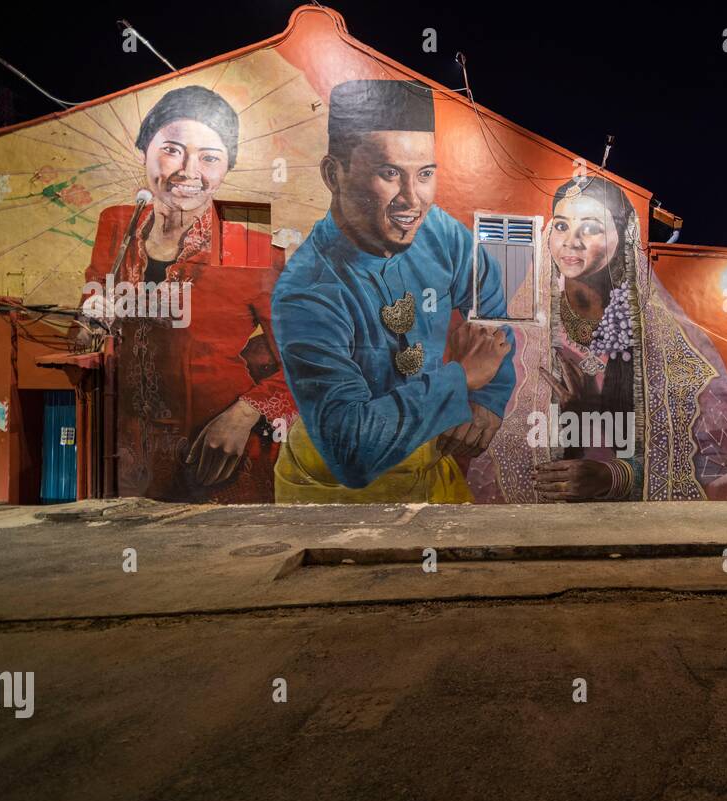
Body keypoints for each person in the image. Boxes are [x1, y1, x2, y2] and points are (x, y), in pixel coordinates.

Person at [270, 78, 516, 503]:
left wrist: (489, 398)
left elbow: (490, 303)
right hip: (334, 493)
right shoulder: (307, 290)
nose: (412, 199)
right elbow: (350, 450)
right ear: (334, 174)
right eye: (388, 173)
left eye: (424, 175)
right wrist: (460, 380)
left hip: (429, 469)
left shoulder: (439, 233)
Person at [466, 176, 727, 502]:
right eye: (561, 226)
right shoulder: (524, 341)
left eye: (591, 228)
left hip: (628, 527)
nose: (572, 241)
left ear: (623, 238)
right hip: (542, 529)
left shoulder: (660, 345)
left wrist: (619, 475)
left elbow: (711, 459)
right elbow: (496, 451)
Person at [81, 85, 294, 502]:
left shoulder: (250, 246)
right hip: (126, 453)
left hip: (218, 452)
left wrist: (243, 415)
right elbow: (90, 308)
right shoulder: (116, 225)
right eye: (173, 150)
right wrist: (89, 315)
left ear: (227, 166)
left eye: (209, 157)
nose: (188, 171)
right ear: (144, 149)